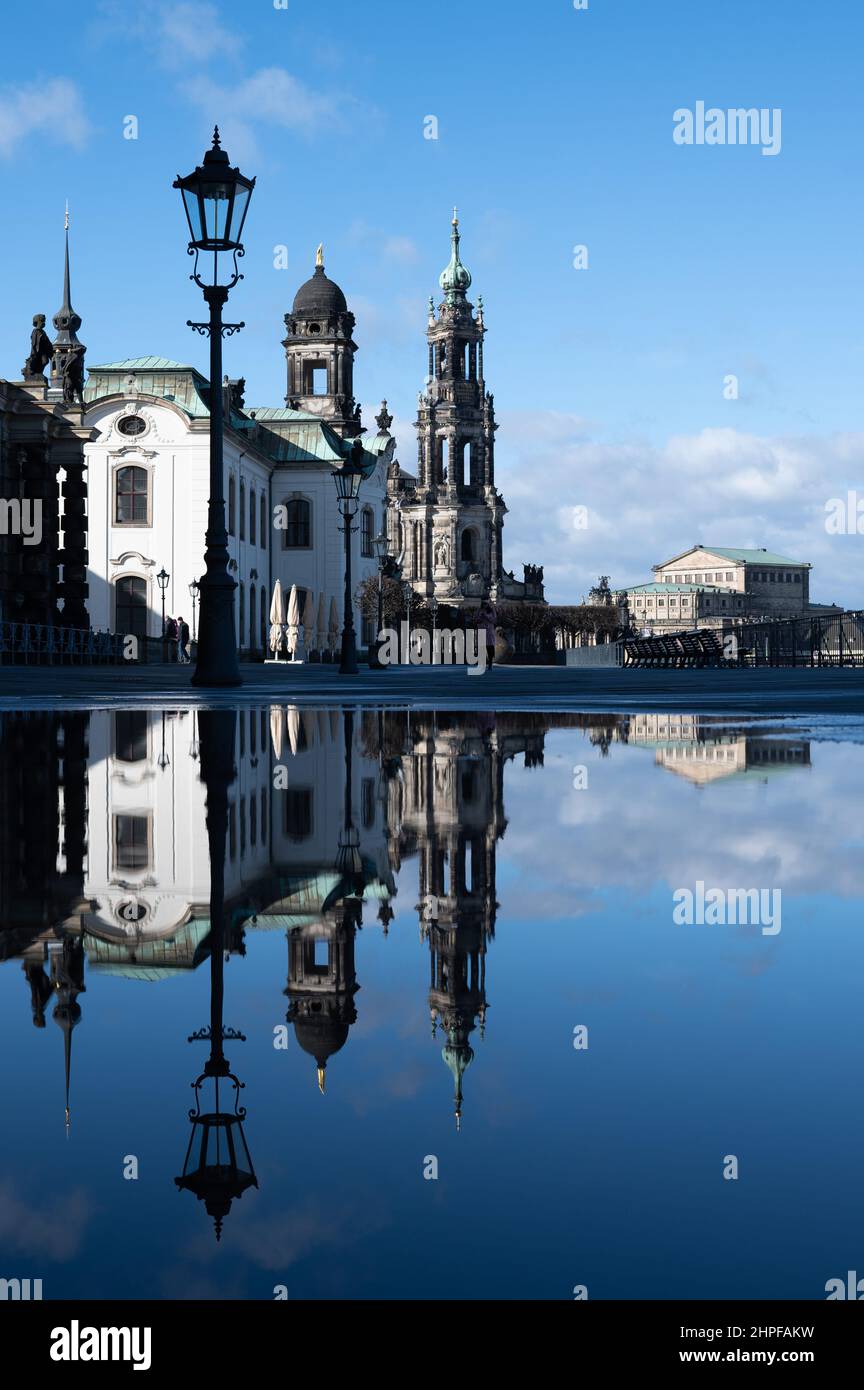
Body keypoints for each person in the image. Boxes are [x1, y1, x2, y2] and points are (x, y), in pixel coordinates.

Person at [476, 598, 497, 672]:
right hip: (482, 630)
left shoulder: (491, 611)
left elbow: (494, 620)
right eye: (484, 604)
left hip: (489, 631)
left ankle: (490, 663)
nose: (485, 605)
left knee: (490, 647)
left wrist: (486, 616)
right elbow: (476, 619)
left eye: (486, 604)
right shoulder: (479, 610)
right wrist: (480, 618)